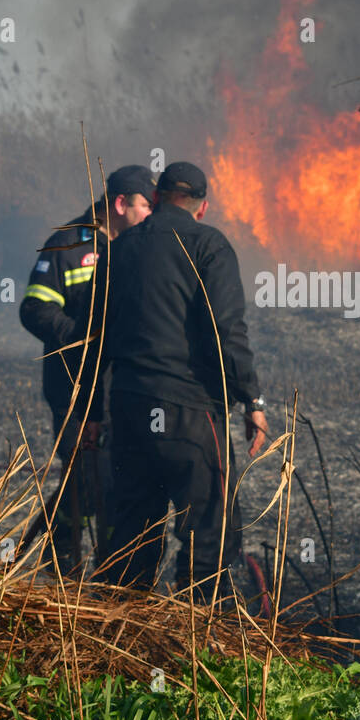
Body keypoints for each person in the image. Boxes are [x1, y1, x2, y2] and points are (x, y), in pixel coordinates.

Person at [97, 161, 269, 603]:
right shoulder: (209, 245)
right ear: (203, 207)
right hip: (191, 415)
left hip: (131, 409)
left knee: (132, 533)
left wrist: (92, 413)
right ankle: (198, 640)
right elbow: (227, 329)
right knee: (208, 534)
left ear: (155, 199)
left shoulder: (121, 248)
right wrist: (252, 399)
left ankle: (118, 640)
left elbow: (99, 334)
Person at [19, 165, 155, 575]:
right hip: (75, 390)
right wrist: (80, 338)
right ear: (120, 204)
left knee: (116, 481)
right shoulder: (67, 245)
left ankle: (103, 571)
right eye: (146, 205)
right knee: (89, 479)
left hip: (123, 389)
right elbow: (34, 308)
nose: (152, 214)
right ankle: (59, 555)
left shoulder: (140, 248)